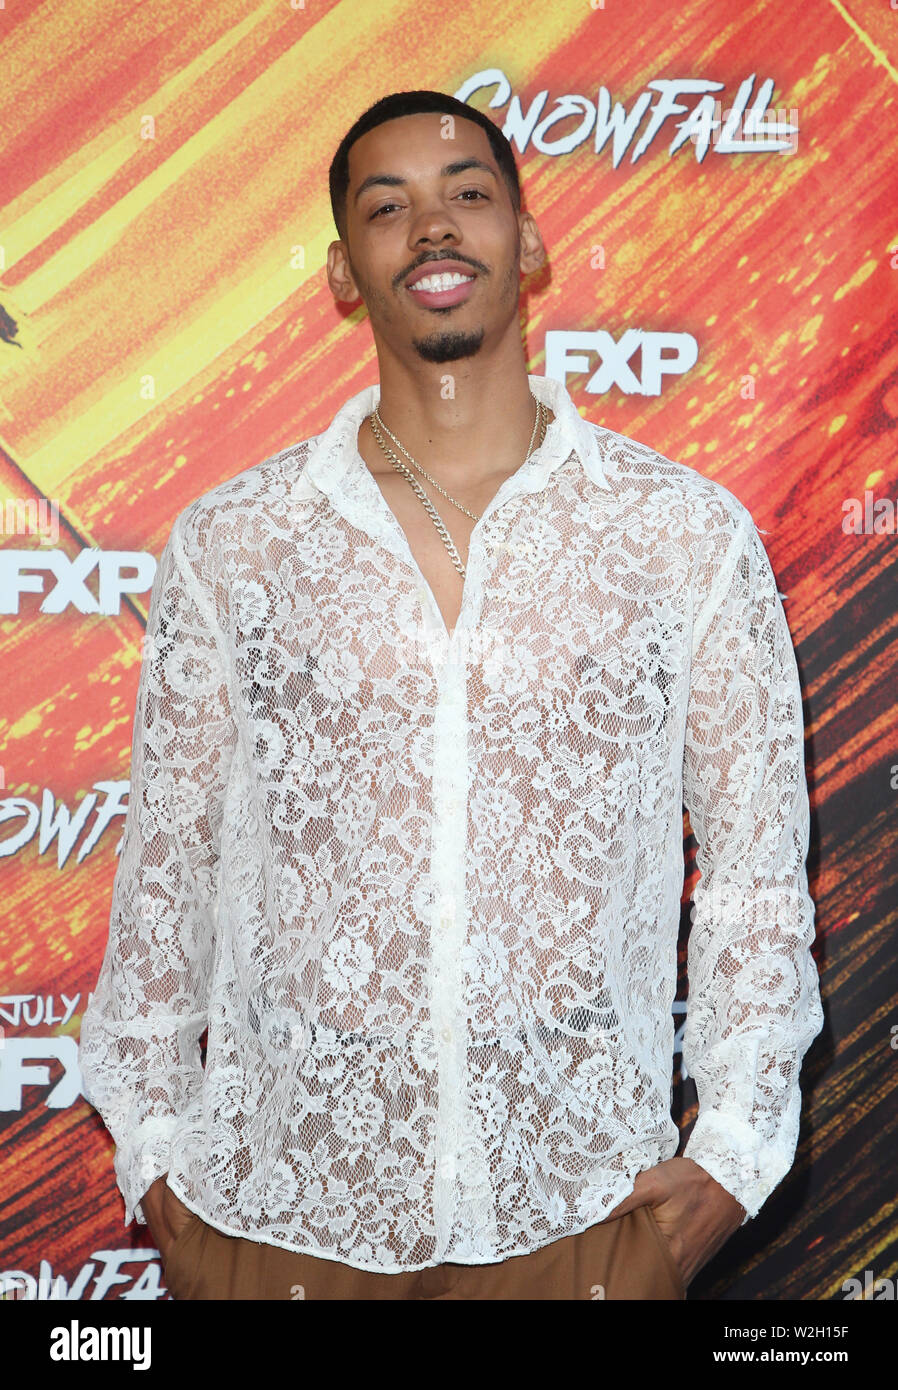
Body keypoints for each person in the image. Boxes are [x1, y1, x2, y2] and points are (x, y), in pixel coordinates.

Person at [79, 89, 824, 1301]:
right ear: (341, 273)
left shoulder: (679, 537)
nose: (433, 228)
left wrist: (733, 1156)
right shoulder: (236, 545)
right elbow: (168, 873)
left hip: (583, 1217)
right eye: (389, 207)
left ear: (528, 245)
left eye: (467, 194)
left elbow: (752, 876)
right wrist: (159, 1162)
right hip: (280, 1219)